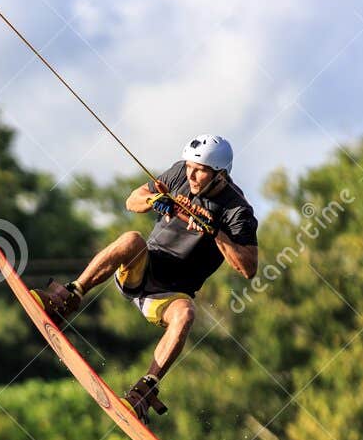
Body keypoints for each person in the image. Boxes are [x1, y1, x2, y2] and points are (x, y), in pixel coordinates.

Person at [31, 134, 258, 421]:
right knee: (131, 239)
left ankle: (144, 391)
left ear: (221, 175)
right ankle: (69, 297)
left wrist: (215, 232)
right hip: (142, 270)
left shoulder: (238, 211)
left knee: (187, 313)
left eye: (200, 170)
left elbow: (248, 268)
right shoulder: (180, 173)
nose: (192, 175)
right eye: (190, 166)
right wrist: (155, 199)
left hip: (169, 295)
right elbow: (132, 200)